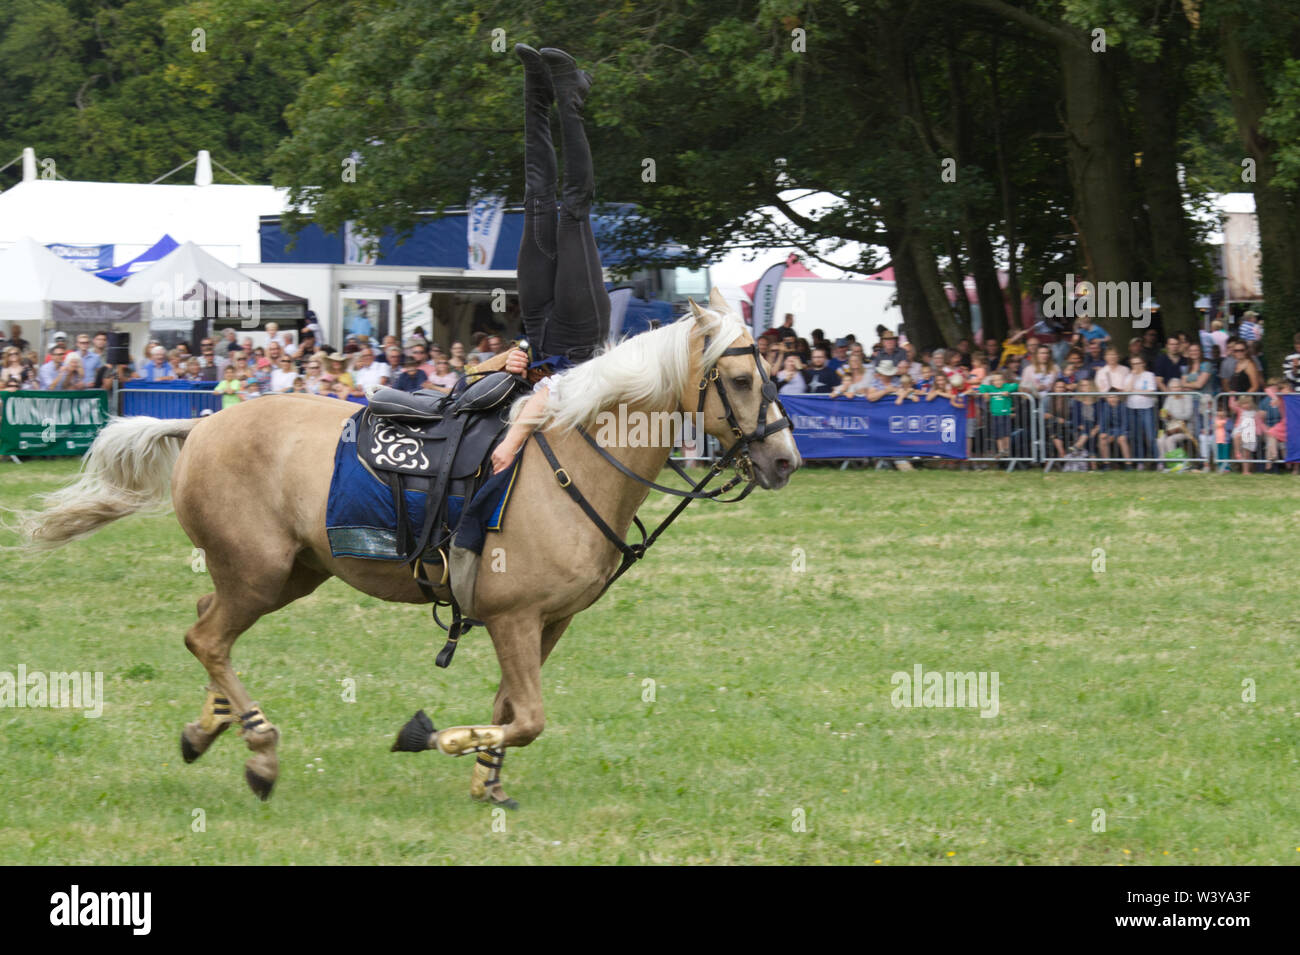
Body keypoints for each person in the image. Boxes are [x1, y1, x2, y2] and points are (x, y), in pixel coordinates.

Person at [487, 46, 618, 473]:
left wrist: (513, 358)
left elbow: (491, 380)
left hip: (541, 332)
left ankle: (538, 95)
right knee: (574, 208)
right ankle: (572, 99)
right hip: (579, 346)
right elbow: (552, 392)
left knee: (537, 202)